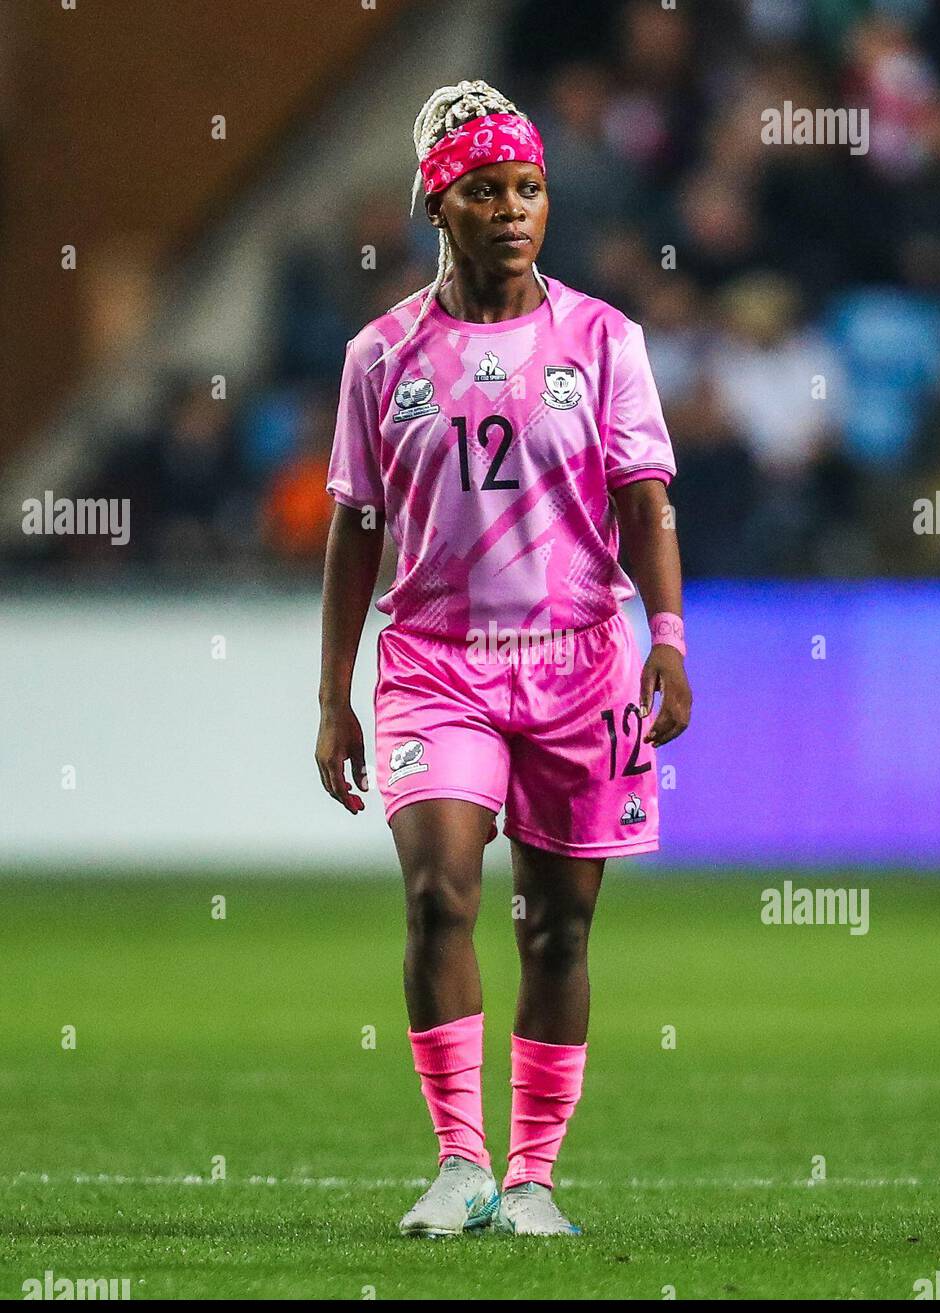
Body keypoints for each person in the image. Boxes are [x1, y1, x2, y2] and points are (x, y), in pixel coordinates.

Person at [315, 79, 691, 1238]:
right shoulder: (381, 356)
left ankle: (532, 1177)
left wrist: (666, 638)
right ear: (439, 201)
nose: (514, 209)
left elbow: (645, 503)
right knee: (437, 894)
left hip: (577, 664)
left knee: (555, 927)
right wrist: (333, 695)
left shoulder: (602, 341)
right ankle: (459, 1161)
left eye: (528, 188)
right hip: (434, 661)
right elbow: (354, 529)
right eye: (486, 189)